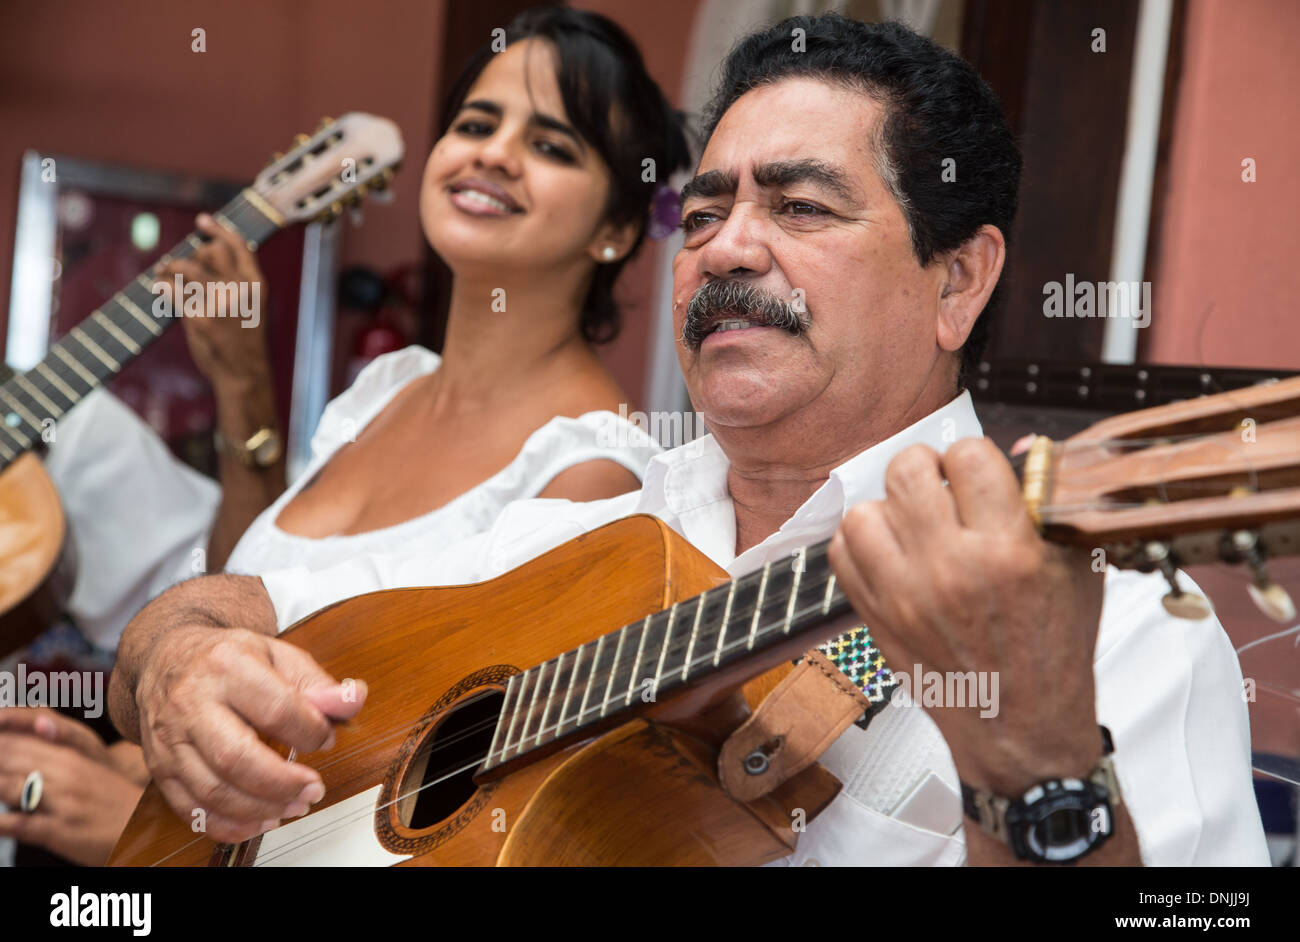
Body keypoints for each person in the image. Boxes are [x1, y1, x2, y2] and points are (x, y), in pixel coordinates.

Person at [108, 15, 1268, 865]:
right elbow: (225, 602)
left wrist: (1037, 770)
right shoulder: (585, 522)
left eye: (801, 208)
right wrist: (175, 667)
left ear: (955, 279)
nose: (723, 249)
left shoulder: (1120, 640)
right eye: (705, 213)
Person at [5, 6, 691, 863]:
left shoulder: (594, 476)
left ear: (619, 228)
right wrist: (148, 761)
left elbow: (426, 798)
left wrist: (141, 818)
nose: (492, 153)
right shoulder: (384, 389)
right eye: (476, 123)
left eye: (551, 146)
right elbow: (238, 595)